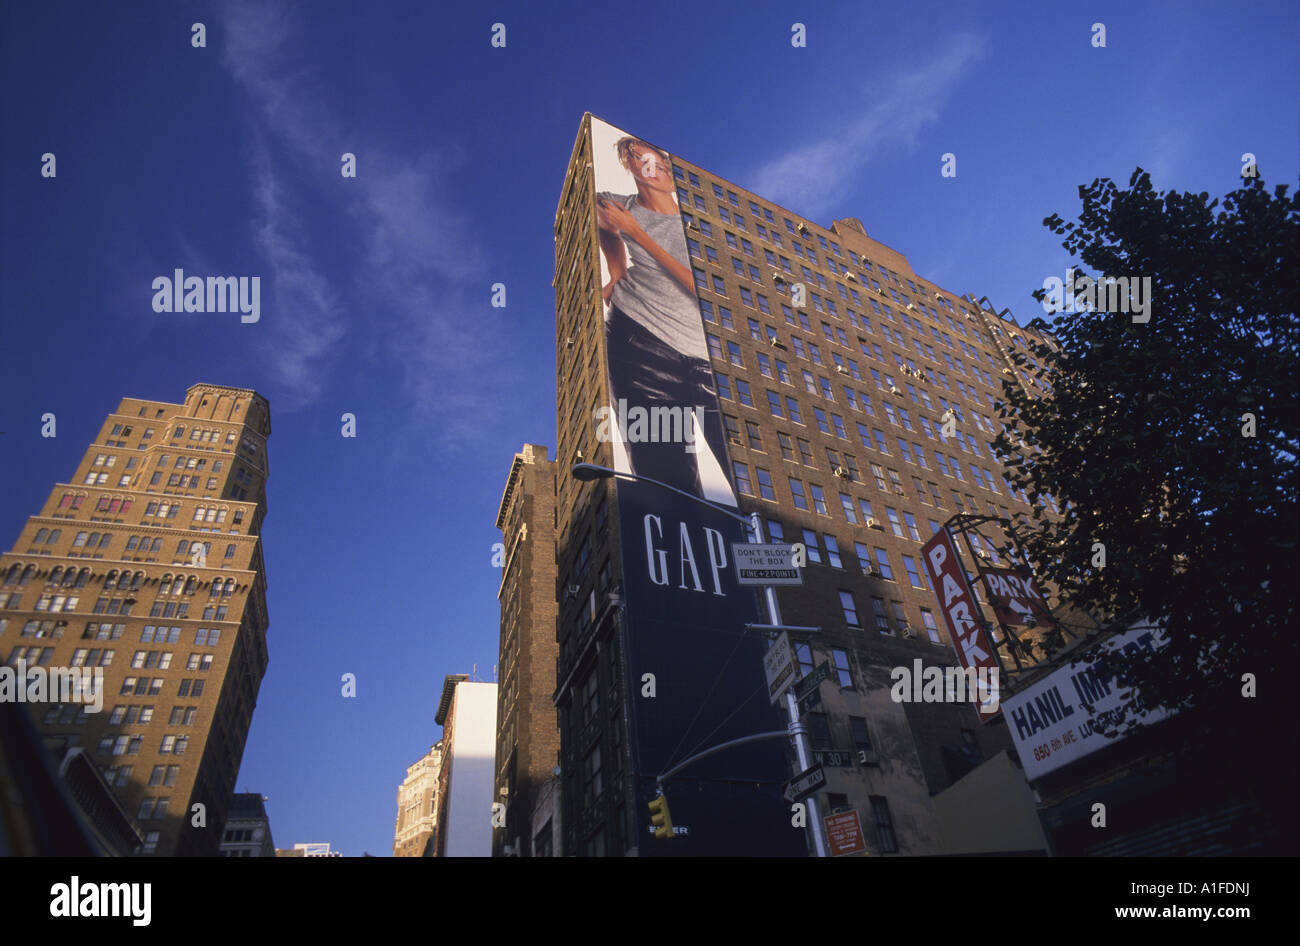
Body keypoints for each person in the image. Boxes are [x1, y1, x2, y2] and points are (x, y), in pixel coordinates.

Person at [596, 136, 732, 502]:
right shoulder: (617, 205)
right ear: (631, 167)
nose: (659, 170)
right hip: (639, 349)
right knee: (668, 493)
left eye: (663, 163)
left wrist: (637, 233)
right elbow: (603, 224)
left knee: (748, 480)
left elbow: (700, 287)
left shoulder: (698, 227)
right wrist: (617, 271)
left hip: (711, 362)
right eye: (646, 162)